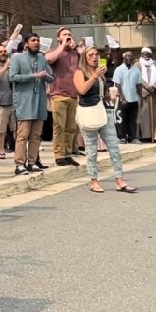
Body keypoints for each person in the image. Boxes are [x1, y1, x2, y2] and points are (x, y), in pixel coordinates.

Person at [72, 47, 136, 193]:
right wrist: (94, 76)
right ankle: (93, 180)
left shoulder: (100, 73)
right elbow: (81, 90)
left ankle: (119, 179)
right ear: (85, 57)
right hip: (88, 112)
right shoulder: (80, 72)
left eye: (96, 54)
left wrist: (110, 96)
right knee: (92, 149)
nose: (94, 57)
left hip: (102, 110)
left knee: (114, 146)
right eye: (91, 55)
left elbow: (101, 93)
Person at [8, 33, 54, 176]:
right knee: (23, 134)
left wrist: (45, 76)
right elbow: (12, 77)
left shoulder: (42, 58)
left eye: (38, 40)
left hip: (39, 101)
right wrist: (33, 76)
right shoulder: (18, 58)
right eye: (33, 40)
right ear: (26, 43)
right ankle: (19, 164)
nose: (36, 43)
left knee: (36, 135)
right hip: (24, 101)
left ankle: (32, 162)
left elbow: (52, 77)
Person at [45, 27, 81, 167]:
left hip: (73, 94)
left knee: (71, 127)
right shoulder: (54, 51)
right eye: (64, 35)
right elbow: (49, 59)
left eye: (69, 35)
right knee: (59, 126)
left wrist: (77, 49)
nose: (68, 37)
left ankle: (68, 153)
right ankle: (59, 154)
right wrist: (62, 46)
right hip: (58, 94)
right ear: (58, 38)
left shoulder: (75, 54)